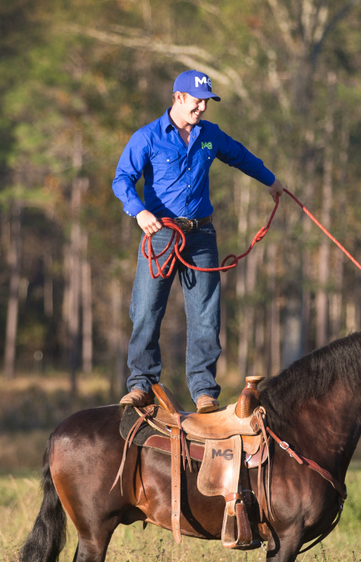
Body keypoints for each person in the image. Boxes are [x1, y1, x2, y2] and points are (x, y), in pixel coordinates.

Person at [112, 69, 283, 412]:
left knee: (206, 315)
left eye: (207, 101)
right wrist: (139, 211)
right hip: (159, 234)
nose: (202, 107)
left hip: (201, 235)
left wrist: (271, 180)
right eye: (197, 100)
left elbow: (241, 156)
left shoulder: (210, 136)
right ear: (178, 98)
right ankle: (141, 384)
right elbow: (121, 180)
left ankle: (204, 391)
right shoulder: (146, 137)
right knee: (146, 309)